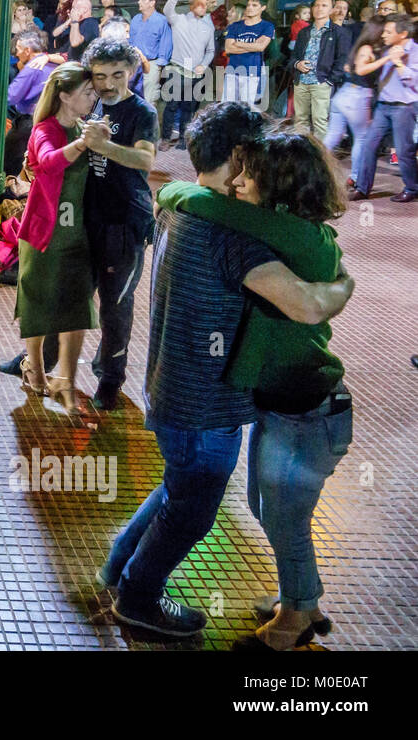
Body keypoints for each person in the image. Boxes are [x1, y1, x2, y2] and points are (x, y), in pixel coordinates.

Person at [97, 102, 353, 637]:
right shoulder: (232, 234)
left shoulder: (183, 208)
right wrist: (341, 288)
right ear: (240, 156)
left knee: (178, 487)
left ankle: (120, 566)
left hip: (171, 386)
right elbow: (306, 305)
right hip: (205, 402)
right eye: (255, 154)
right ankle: (140, 598)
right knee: (191, 509)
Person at [13, 63, 98, 420]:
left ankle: (64, 374)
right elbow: (46, 162)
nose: (95, 97)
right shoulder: (45, 129)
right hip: (44, 233)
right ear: (65, 96)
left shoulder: (84, 128)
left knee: (76, 306)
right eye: (88, 92)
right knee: (37, 303)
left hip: (78, 234)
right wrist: (82, 144)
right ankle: (33, 368)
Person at [80, 38, 160, 411]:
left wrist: (103, 146)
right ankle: (42, 358)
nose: (108, 83)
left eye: (117, 74)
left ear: (130, 72)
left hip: (124, 222)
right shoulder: (90, 102)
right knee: (70, 293)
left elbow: (145, 160)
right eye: (100, 76)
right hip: (87, 217)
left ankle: (110, 379)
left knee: (115, 304)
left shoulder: (142, 112)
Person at [351, 13, 418, 204]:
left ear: (403, 33)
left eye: (389, 32)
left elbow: (413, 80)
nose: (384, 35)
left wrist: (397, 62)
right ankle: (362, 188)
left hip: (404, 107)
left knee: (404, 151)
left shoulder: (415, 52)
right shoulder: (387, 49)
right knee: (369, 146)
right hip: (383, 106)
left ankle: (412, 188)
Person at [323, 18, 385, 189]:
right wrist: (383, 61)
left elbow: (348, 68)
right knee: (361, 138)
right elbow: (360, 69)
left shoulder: (360, 46)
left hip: (344, 94)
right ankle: (356, 176)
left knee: (333, 135)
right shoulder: (368, 48)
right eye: (385, 30)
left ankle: (314, 165)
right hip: (356, 96)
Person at [161, 0, 216, 144]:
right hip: (177, 70)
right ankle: (165, 138)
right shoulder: (179, 20)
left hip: (196, 74)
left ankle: (183, 139)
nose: (203, 8)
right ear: (193, 6)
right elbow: (167, 11)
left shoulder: (208, 28)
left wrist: (204, 65)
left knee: (189, 108)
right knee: (171, 106)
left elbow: (210, 50)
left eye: (205, 5)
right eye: (200, 4)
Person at [289, 0, 348, 139]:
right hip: (301, 80)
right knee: (300, 120)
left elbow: (343, 59)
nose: (319, 8)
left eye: (324, 6)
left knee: (320, 121)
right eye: (316, 5)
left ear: (332, 10)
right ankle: (301, 152)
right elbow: (293, 56)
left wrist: (329, 80)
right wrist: (297, 64)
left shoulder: (339, 32)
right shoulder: (304, 32)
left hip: (322, 82)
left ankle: (321, 156)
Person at [5, 31, 58, 177]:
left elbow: (10, 97)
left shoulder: (31, 68)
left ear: (28, 50)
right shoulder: (52, 65)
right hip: (47, 120)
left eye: (18, 49)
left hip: (27, 122)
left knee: (8, 162)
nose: (17, 53)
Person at [223, 0, 276, 110]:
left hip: (251, 72)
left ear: (263, 8)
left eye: (255, 5)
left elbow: (260, 47)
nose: (250, 7)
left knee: (245, 109)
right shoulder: (235, 26)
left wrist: (239, 43)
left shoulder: (267, 26)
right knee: (226, 108)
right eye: (249, 5)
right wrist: (252, 45)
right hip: (232, 71)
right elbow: (229, 48)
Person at [128, 0, 172, 119]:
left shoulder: (162, 21)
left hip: (151, 63)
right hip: (133, 63)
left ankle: (149, 131)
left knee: (149, 99)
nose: (138, 2)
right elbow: (130, 40)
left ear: (152, 3)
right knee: (131, 96)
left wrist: (158, 66)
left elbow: (166, 43)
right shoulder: (136, 19)